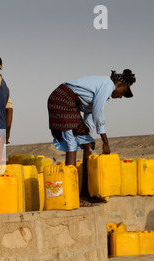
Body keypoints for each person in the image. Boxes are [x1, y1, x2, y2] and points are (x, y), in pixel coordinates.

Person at [47, 69, 136, 203]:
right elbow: (98, 114)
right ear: (119, 85)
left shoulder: (103, 87)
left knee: (87, 143)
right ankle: (72, 194)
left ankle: (85, 193)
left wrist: (87, 134)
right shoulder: (107, 85)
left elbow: (89, 115)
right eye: (124, 92)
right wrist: (105, 142)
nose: (122, 96)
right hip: (62, 100)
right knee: (71, 143)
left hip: (69, 103)